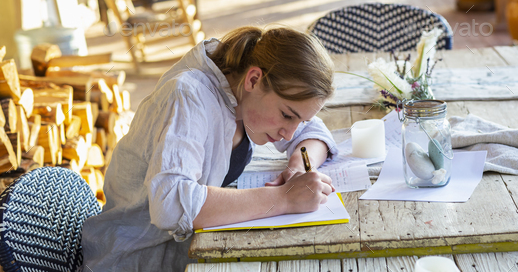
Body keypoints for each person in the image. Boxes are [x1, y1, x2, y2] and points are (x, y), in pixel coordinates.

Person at [81, 26, 338, 271]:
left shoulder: (240, 90)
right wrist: (283, 198)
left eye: (299, 120)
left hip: (195, 251)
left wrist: (298, 168)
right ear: (254, 79)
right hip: (136, 260)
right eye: (287, 115)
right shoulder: (188, 95)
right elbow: (170, 204)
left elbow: (314, 133)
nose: (290, 132)